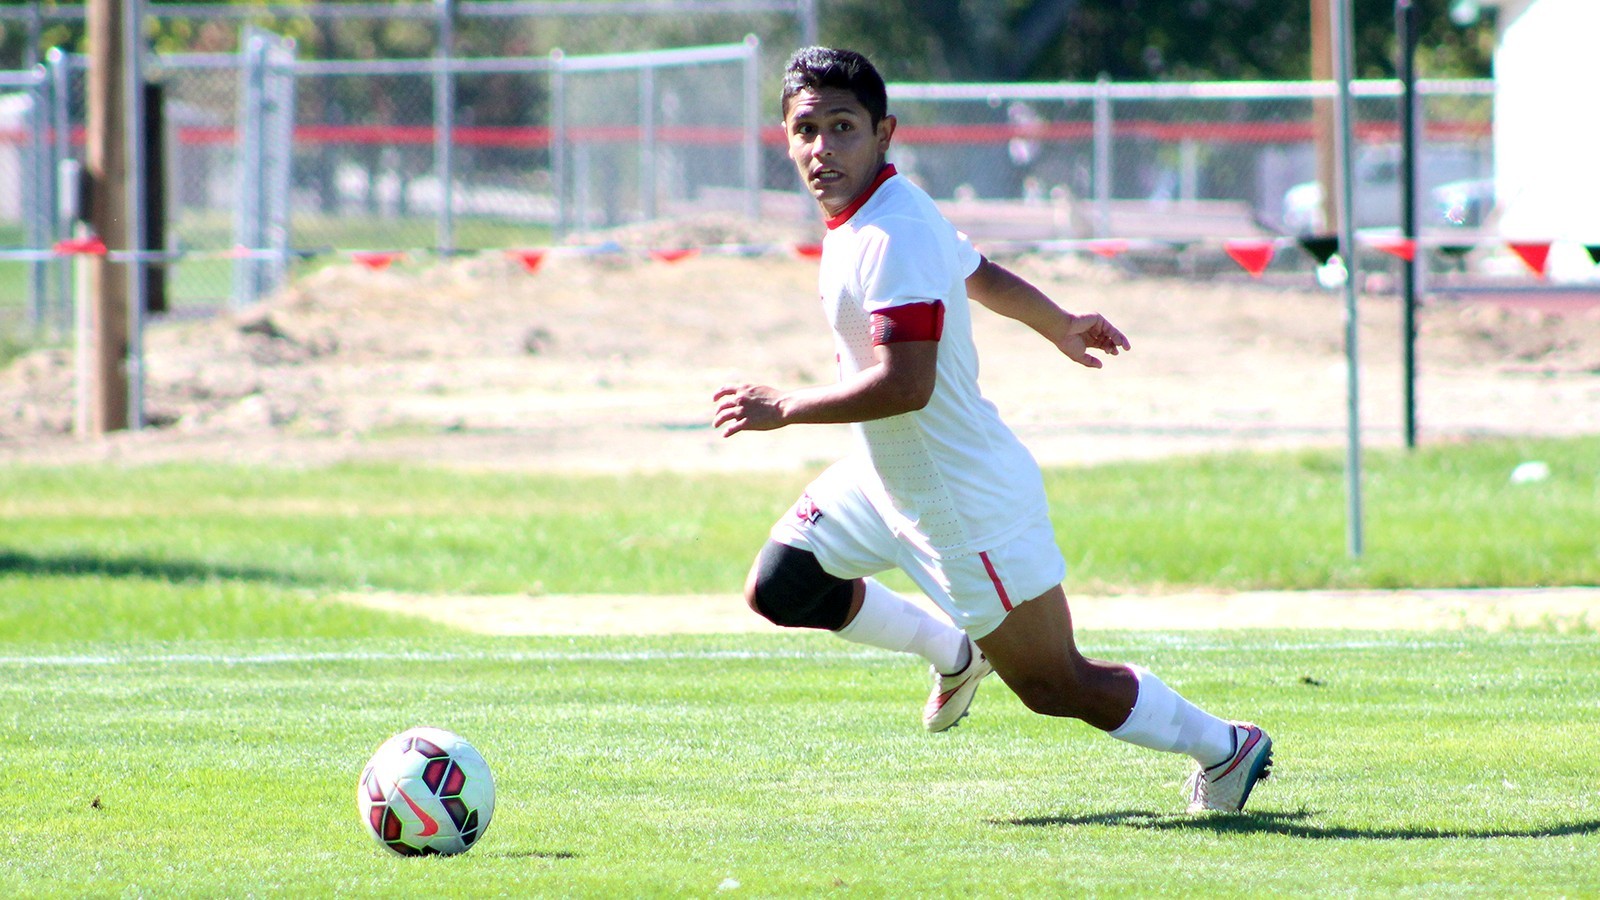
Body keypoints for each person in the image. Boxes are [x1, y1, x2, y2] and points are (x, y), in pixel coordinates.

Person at [712, 47, 1272, 814]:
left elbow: (907, 385)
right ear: (785, 138)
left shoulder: (891, 233)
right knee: (784, 584)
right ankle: (954, 651)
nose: (822, 147)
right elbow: (977, 271)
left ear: (883, 133)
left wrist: (784, 410)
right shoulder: (878, 210)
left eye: (842, 127)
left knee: (1054, 684)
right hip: (885, 480)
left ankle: (1226, 747)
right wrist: (1058, 322)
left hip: (960, 500)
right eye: (806, 129)